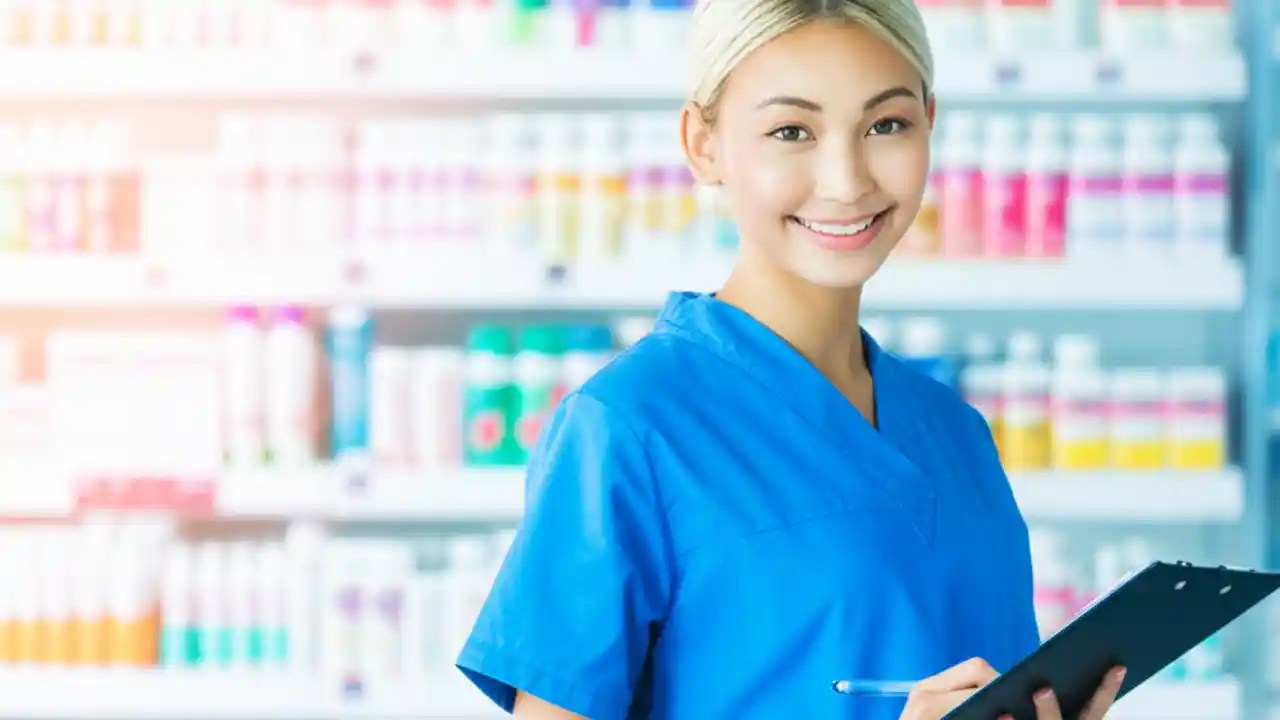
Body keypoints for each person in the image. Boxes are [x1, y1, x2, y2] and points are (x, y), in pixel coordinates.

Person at [456, 1, 1127, 718]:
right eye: (791, 131)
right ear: (702, 144)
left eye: (886, 125)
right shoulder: (627, 428)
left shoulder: (955, 433)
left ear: (930, 120)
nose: (845, 180)